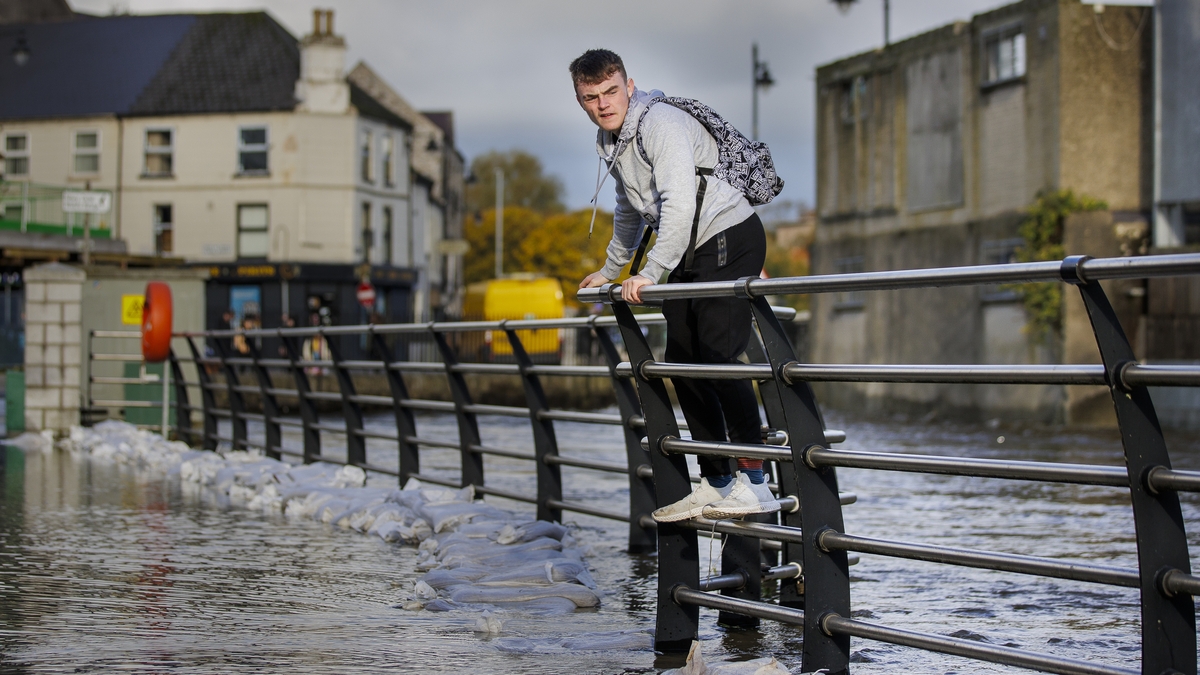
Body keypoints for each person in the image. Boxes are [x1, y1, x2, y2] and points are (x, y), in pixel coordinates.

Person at [571, 49, 780, 522]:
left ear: (628, 84)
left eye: (610, 91)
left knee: (719, 354)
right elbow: (629, 208)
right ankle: (717, 481)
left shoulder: (659, 123)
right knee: (682, 363)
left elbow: (679, 202)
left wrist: (650, 271)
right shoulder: (610, 140)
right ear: (580, 101)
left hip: (726, 233)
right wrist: (612, 269)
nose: (604, 104)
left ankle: (756, 482)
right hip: (688, 244)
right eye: (591, 97)